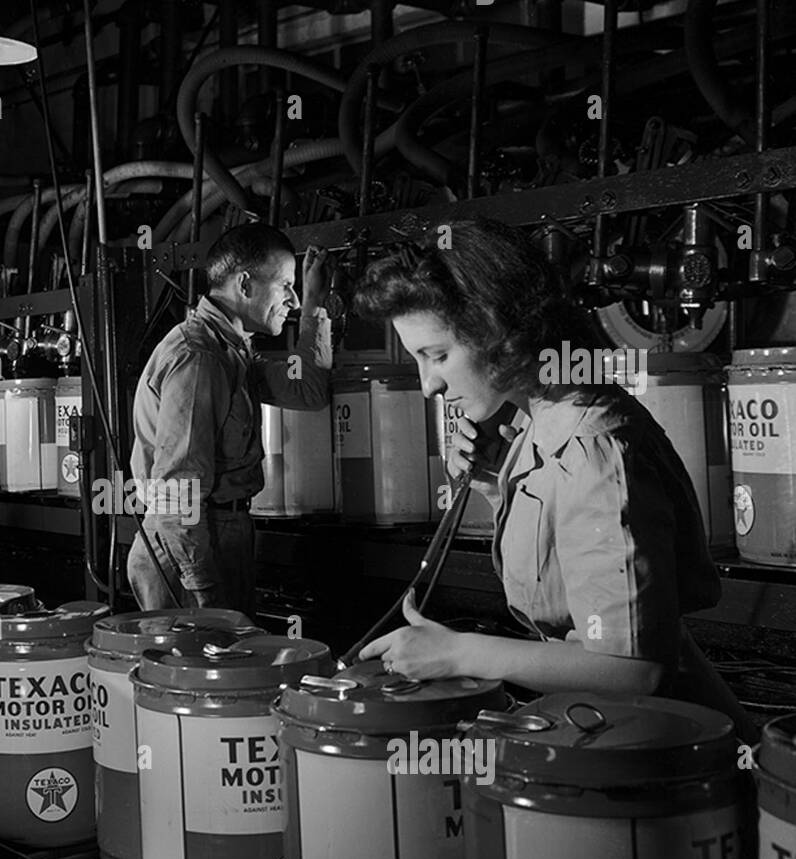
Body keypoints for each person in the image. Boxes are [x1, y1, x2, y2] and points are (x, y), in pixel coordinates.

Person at [352, 217, 753, 740]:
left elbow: (634, 669)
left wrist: (460, 652)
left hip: (665, 752)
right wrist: (500, 480)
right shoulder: (543, 418)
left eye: (438, 355)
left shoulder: (591, 447)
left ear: (496, 330)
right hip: (617, 733)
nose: (429, 385)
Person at [127, 224, 333, 616]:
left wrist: (313, 305)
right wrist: (205, 591)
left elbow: (309, 391)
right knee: (208, 670)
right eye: (285, 285)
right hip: (190, 545)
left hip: (219, 533)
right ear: (244, 284)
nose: (291, 298)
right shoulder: (200, 357)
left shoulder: (234, 354)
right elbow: (177, 495)